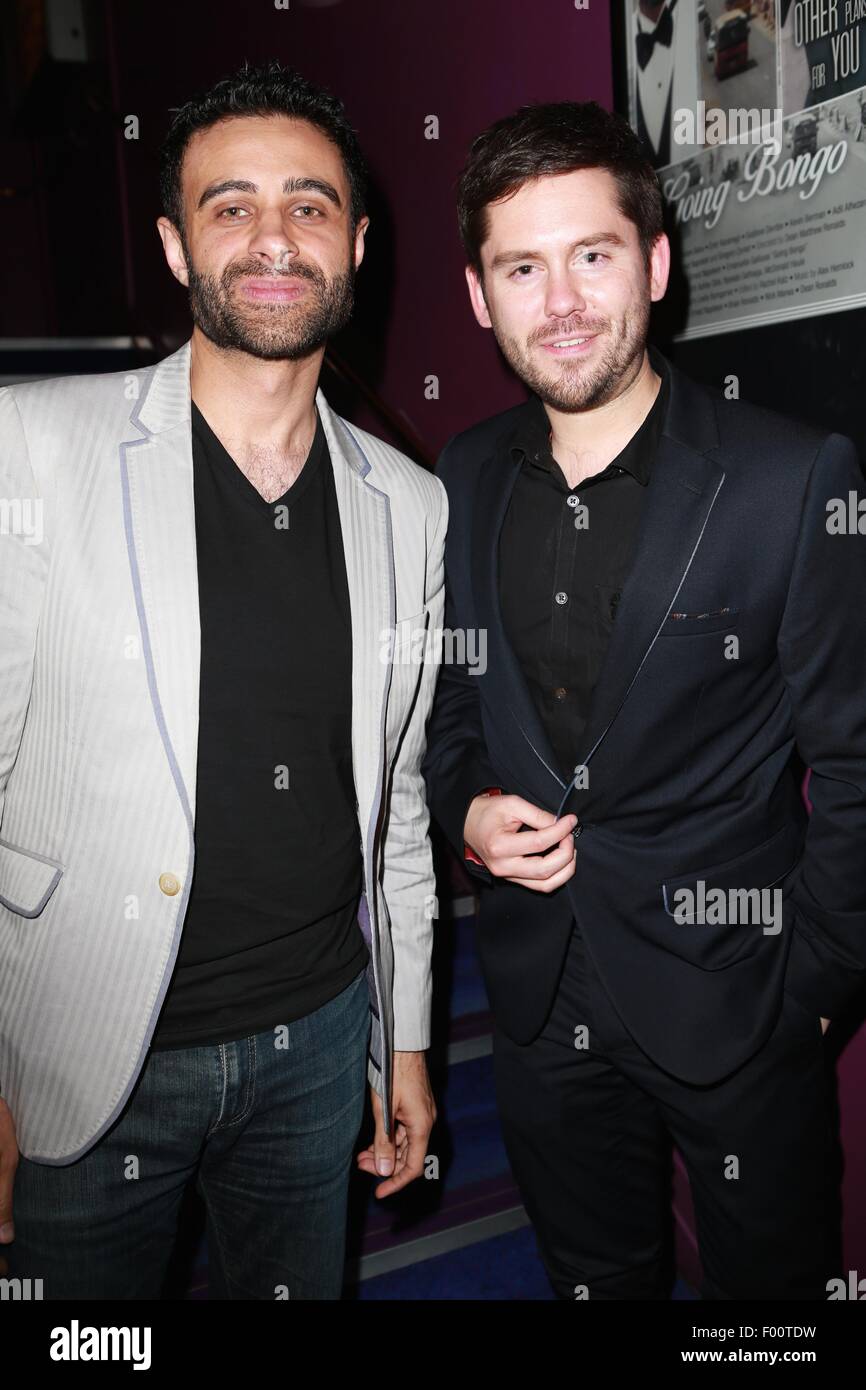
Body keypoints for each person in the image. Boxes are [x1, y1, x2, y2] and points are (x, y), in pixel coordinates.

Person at [0, 60, 443, 1300]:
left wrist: (402, 1040)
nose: (271, 237)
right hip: (86, 1047)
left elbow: (396, 803)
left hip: (313, 1041)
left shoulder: (410, 506)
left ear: (354, 242)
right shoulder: (30, 443)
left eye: (308, 205)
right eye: (228, 204)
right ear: (172, 243)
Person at [422, 99, 866, 1300]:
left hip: (738, 1002)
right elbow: (454, 697)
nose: (558, 301)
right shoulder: (459, 476)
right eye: (521, 265)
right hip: (534, 998)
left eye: (592, 254)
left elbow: (857, 762)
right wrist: (463, 808)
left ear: (655, 265)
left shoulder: (790, 476)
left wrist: (811, 989)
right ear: (479, 292)